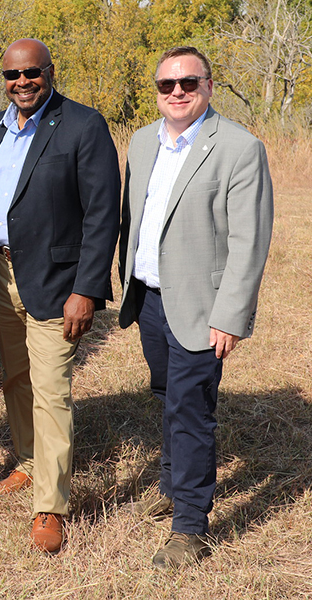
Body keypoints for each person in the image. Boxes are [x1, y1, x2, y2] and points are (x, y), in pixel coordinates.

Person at [119, 46, 274, 569]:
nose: (178, 92)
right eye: (167, 85)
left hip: (202, 308)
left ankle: (189, 525)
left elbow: (249, 242)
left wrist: (229, 316)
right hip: (150, 300)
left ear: (208, 85)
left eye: (188, 82)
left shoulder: (238, 147)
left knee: (190, 411)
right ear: (157, 92)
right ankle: (169, 483)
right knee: (166, 395)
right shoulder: (142, 143)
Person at [0, 39, 121, 552]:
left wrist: (87, 290)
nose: (22, 82)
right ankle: (29, 463)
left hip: (58, 282)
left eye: (32, 72)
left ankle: (50, 508)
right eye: (12, 75)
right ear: (3, 80)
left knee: (51, 390)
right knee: (15, 379)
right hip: (3, 276)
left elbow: (103, 215)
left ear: (50, 72)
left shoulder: (82, 125)